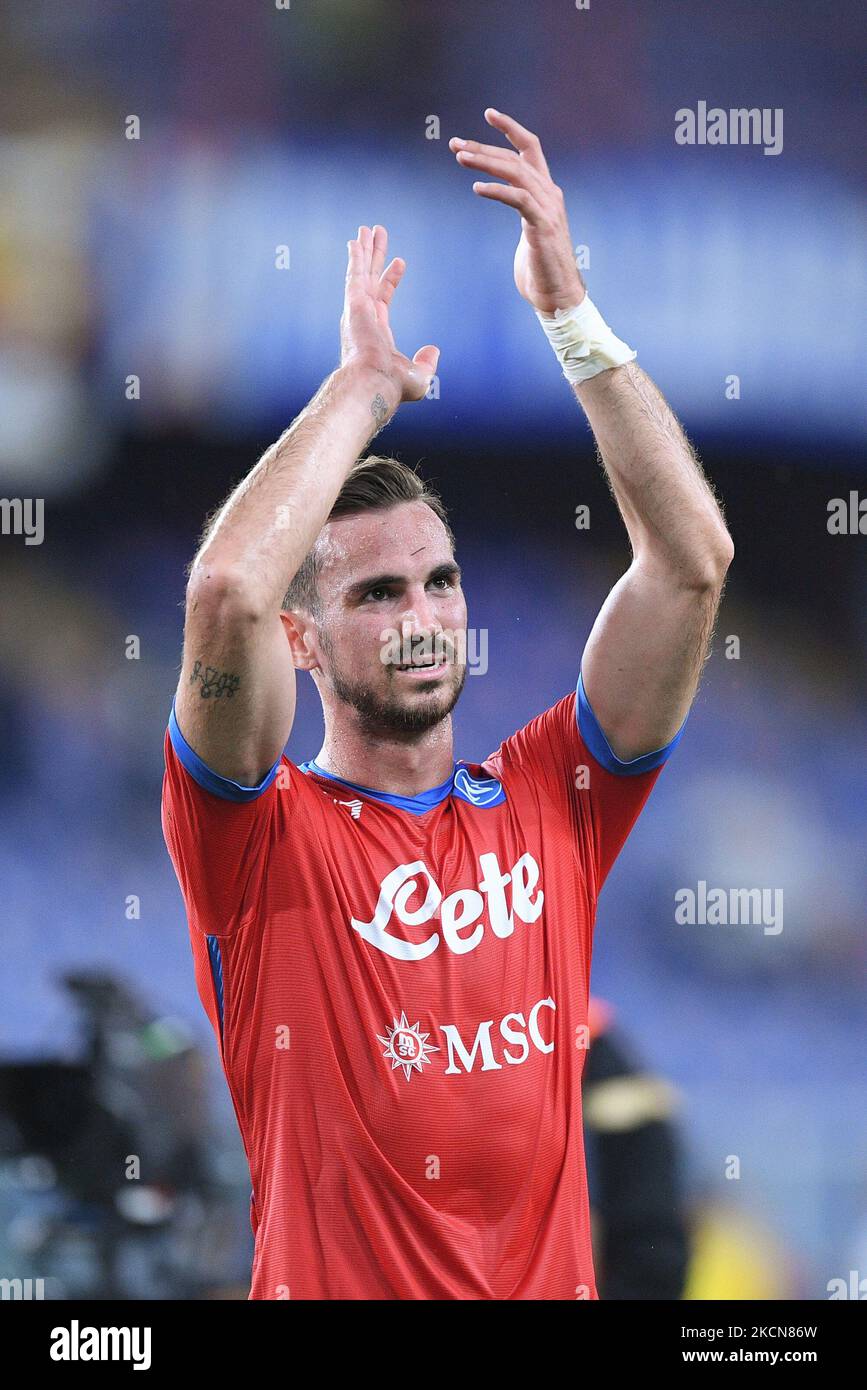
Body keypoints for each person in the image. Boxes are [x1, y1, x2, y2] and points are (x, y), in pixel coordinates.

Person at [161, 108, 733, 1300]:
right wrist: (361, 391)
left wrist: (566, 310)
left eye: (439, 578)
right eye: (376, 590)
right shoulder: (260, 843)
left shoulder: (553, 798)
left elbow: (690, 562)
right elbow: (223, 592)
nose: (421, 613)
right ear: (304, 642)